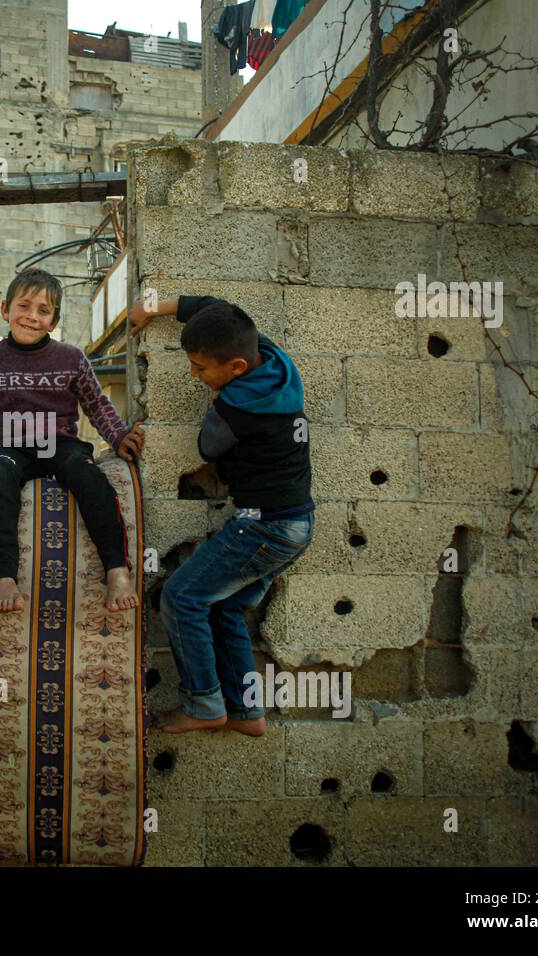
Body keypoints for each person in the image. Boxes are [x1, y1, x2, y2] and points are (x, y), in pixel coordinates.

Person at [129, 294, 314, 735]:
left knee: (181, 598)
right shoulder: (274, 360)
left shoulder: (235, 408)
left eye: (199, 368)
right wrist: (155, 308)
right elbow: (220, 308)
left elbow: (206, 448)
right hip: (296, 523)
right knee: (225, 608)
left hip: (262, 526)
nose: (194, 375)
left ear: (235, 368)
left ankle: (204, 704)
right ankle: (248, 713)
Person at [0, 268, 145, 614]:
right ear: (5, 309)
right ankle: (3, 576)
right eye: (24, 306)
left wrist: (119, 436)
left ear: (55, 320)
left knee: (91, 477)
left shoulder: (71, 358)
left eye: (43, 311)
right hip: (8, 445)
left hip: (60, 444)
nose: (32, 317)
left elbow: (96, 404)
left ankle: (117, 570)